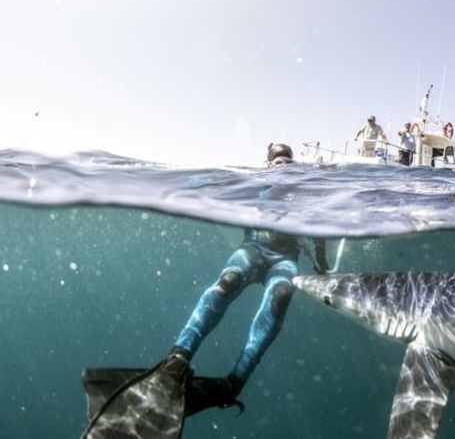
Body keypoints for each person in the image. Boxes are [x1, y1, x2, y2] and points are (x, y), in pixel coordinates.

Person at [81, 143, 330, 438]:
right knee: (227, 282)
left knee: (281, 296)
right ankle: (178, 357)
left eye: (287, 160)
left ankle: (235, 381)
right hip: (253, 250)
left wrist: (322, 261)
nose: (282, 164)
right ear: (267, 164)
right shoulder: (255, 184)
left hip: (284, 260)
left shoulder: (302, 192)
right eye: (277, 160)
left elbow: (317, 229)